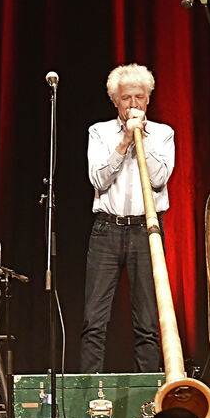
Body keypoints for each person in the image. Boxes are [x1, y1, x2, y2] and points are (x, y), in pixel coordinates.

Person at [81, 63, 175, 373]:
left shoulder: (163, 134)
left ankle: (148, 394)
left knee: (147, 323)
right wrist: (123, 142)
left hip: (147, 231)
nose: (133, 104)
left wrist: (141, 138)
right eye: (126, 98)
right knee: (94, 322)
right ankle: (89, 391)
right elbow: (98, 179)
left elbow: (159, 179)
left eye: (139, 97)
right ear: (115, 101)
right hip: (107, 230)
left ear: (148, 99)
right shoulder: (99, 132)